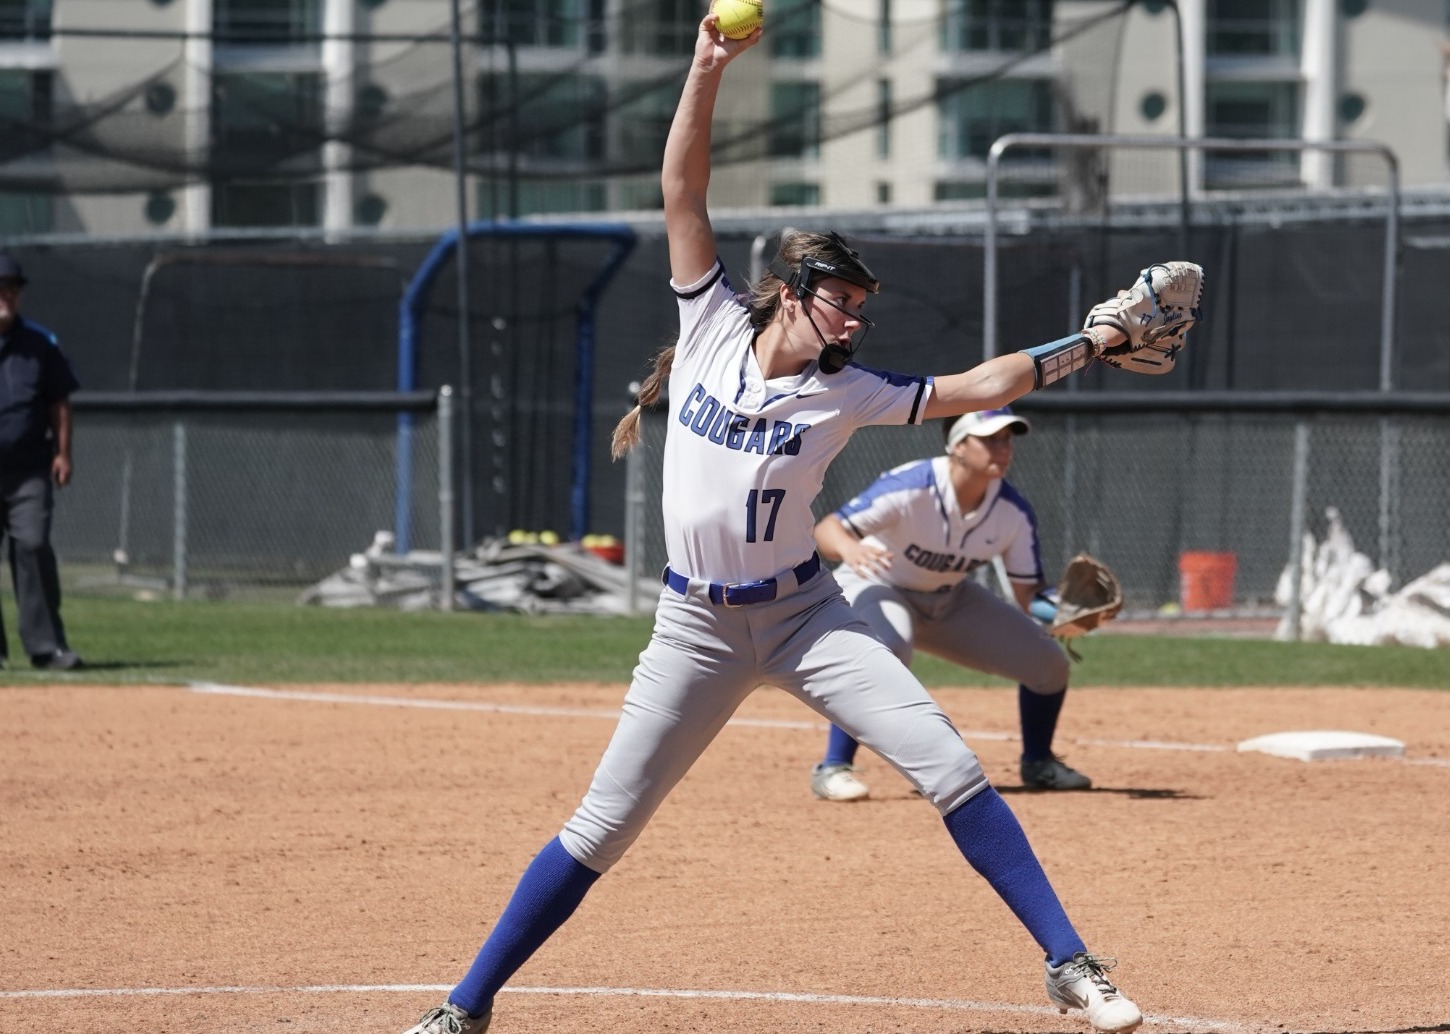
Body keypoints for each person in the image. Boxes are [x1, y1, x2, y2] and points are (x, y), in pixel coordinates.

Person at [401, 16, 1163, 1034]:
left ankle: (1068, 963)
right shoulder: (710, 320)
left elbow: (981, 382)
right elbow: (681, 189)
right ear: (792, 293)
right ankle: (466, 1005)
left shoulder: (848, 393)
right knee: (603, 824)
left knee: (947, 766)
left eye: (859, 307)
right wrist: (704, 70)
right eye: (839, 301)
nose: (852, 321)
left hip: (808, 615)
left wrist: (1090, 340)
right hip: (694, 629)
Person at [808, 406, 1093, 803]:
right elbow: (827, 529)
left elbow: (1030, 594)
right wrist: (849, 548)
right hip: (876, 583)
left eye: (1007, 438)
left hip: (949, 599)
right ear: (958, 445)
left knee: (1049, 664)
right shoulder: (914, 484)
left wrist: (1066, 612)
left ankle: (1039, 762)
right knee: (888, 645)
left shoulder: (1012, 511)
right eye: (990, 438)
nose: (1003, 447)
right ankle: (834, 766)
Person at [0, 253, 82, 671]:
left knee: (34, 545)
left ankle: (46, 646)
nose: (8, 295)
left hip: (29, 468)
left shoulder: (39, 343)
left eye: (14, 288)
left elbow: (60, 401)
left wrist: (63, 452)